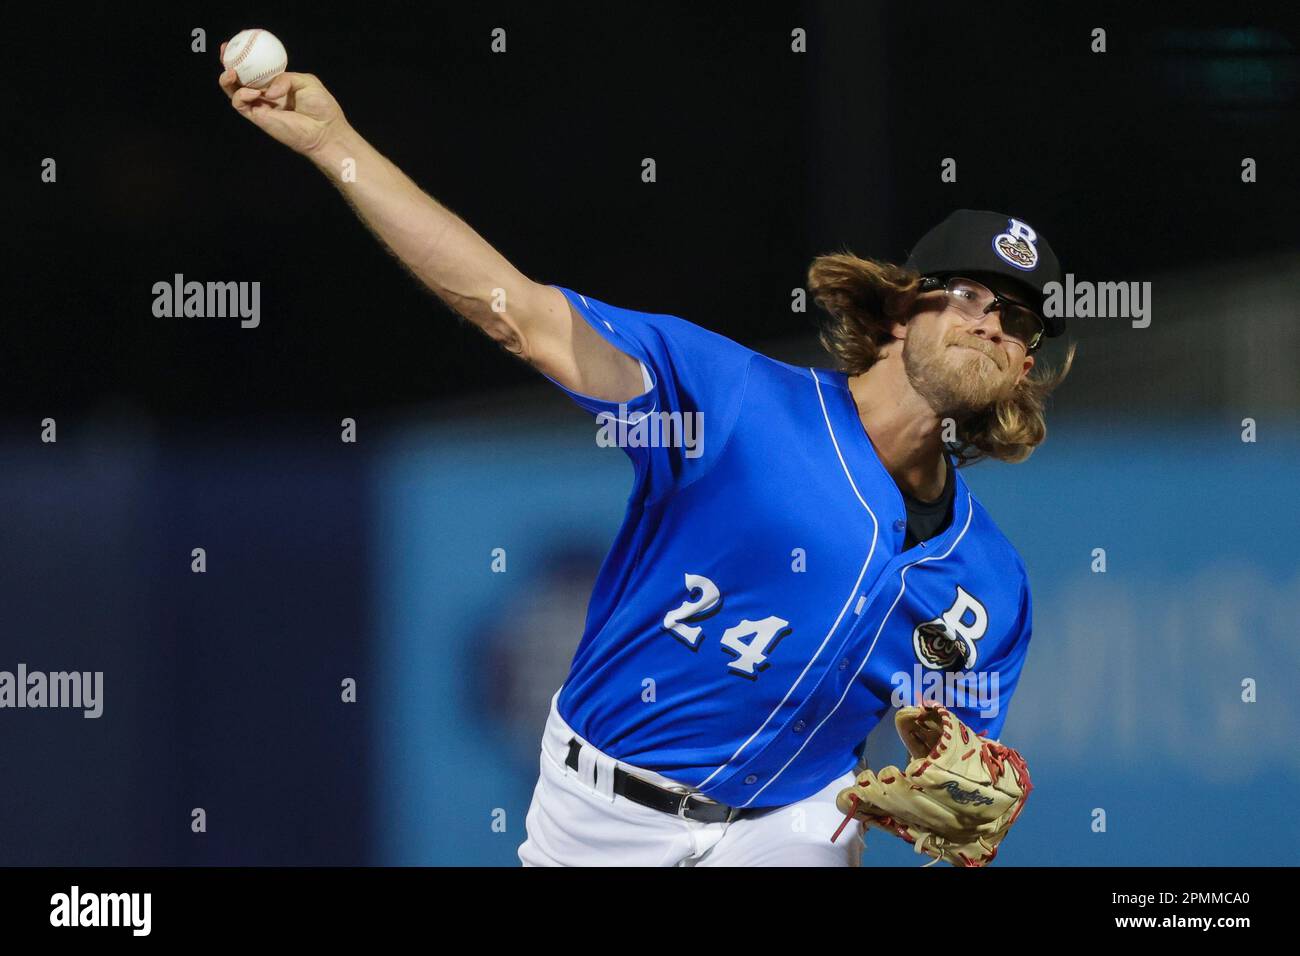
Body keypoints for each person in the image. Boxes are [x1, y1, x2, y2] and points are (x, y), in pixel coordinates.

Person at [219, 61, 1074, 867]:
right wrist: (336, 145)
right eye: (969, 294)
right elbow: (518, 312)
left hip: (795, 828)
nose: (995, 324)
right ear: (899, 312)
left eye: (1022, 323)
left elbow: (959, 769)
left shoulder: (991, 583)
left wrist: (962, 799)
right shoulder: (733, 400)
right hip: (600, 815)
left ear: (1024, 368)